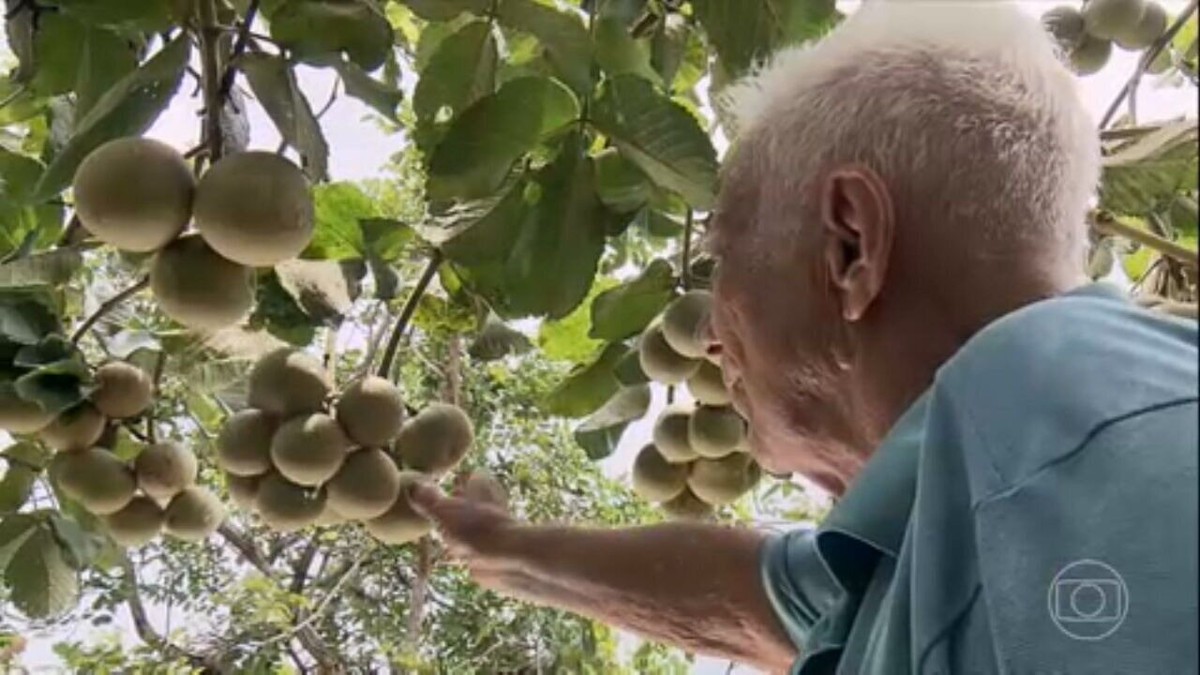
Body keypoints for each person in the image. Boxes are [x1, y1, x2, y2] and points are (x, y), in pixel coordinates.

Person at [410, 2, 1200, 673]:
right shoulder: (970, 502)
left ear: (849, 245)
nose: (711, 338)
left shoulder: (1080, 453)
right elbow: (745, 599)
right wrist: (502, 547)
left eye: (724, 259)